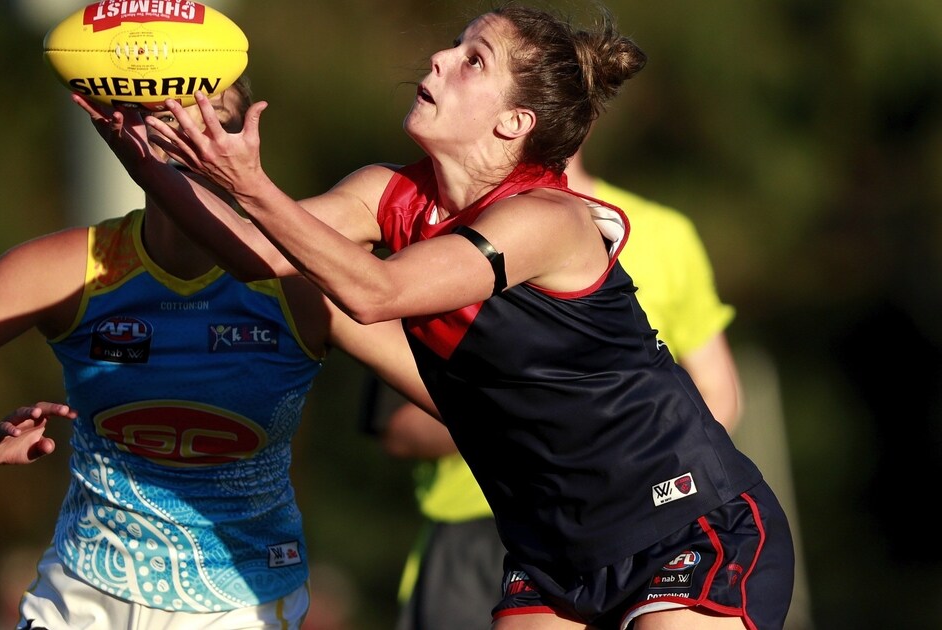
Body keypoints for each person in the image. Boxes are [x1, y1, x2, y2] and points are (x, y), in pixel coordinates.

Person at [77, 4, 796, 628]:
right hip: (554, 549)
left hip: (687, 522)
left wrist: (252, 183)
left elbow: (375, 294)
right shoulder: (386, 192)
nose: (439, 56)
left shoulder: (549, 219)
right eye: (455, 45)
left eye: (471, 59)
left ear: (515, 122)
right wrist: (145, 158)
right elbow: (257, 252)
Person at [0, 79, 436, 630]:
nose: (191, 129)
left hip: (241, 604)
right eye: (171, 113)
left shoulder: (304, 287)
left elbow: (467, 400)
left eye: (212, 115)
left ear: (246, 141)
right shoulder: (65, 269)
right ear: (137, 133)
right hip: (82, 598)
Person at [369, 143, 745, 630]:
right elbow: (397, 429)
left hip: (644, 525)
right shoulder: (434, 237)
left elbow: (719, 395)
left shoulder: (666, 234)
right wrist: (532, 415)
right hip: (475, 531)